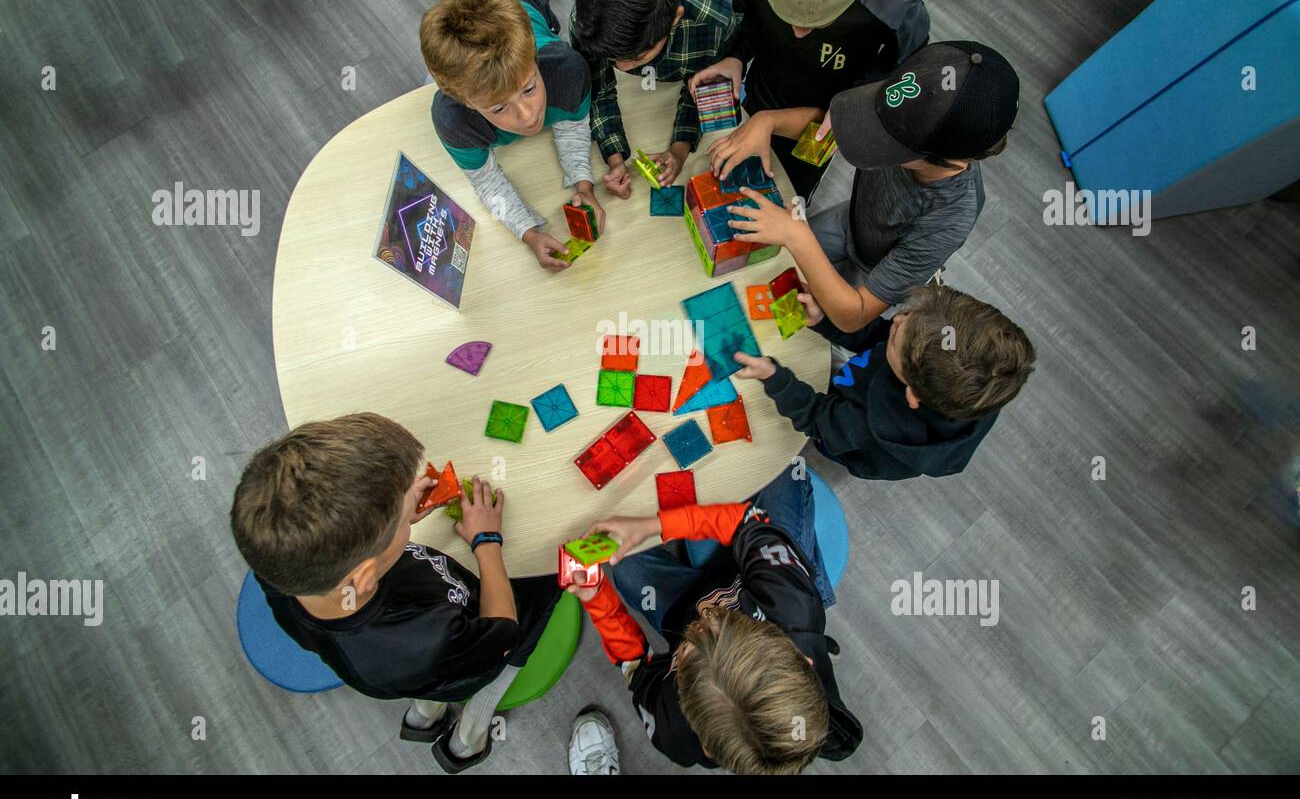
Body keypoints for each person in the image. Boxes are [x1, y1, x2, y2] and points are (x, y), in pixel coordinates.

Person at [229, 413, 561, 773]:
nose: (410, 510)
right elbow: (503, 633)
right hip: (464, 652)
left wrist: (387, 516)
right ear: (366, 575)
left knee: (428, 684)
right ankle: (469, 738)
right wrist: (486, 542)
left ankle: (424, 714)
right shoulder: (424, 643)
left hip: (413, 671)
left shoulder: (282, 574)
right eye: (402, 521)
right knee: (541, 587)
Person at [563, 470, 863, 773]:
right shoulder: (792, 606)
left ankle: (777, 565)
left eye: (683, 652)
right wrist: (654, 526)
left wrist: (596, 597)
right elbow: (749, 520)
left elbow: (636, 667)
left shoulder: (674, 734)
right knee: (788, 470)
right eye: (723, 625)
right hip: (775, 587)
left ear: (704, 745)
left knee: (626, 570)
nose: (706, 617)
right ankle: (807, 578)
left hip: (694, 601)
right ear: (803, 659)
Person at [724, 40, 1022, 332]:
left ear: (951, 161)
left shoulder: (950, 219)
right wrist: (768, 120)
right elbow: (828, 132)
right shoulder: (913, 105)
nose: (869, 136)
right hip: (852, 218)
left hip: (872, 269)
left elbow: (854, 314)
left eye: (885, 141)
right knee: (776, 263)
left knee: (815, 315)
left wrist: (798, 237)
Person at [689, 0, 929, 202]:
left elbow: (904, 70)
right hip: (759, 97)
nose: (798, 32)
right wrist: (735, 57)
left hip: (824, 124)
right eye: (784, 10)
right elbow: (749, 23)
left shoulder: (896, 5)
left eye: (819, 22)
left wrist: (854, 105)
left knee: (791, 194)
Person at [422, 0, 602, 271]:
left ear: (536, 57)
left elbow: (573, 130)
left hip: (521, 1)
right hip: (498, 27)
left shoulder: (566, 70)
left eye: (529, 89)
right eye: (499, 108)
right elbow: (487, 183)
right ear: (464, 101)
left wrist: (584, 184)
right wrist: (528, 232)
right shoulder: (452, 118)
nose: (528, 116)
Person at [734, 285, 1036, 480]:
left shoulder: (865, 424)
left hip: (845, 431)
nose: (896, 321)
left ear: (912, 394)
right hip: (865, 392)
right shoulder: (954, 377)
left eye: (895, 339)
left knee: (828, 433)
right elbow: (880, 337)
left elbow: (816, 419)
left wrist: (775, 378)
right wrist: (826, 322)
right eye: (907, 314)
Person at [568, 0, 739, 194]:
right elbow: (599, 90)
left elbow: (705, 89)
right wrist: (615, 159)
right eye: (612, 59)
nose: (623, 68)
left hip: (717, 2)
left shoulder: (716, 23)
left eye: (637, 57)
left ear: (675, 19)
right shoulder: (588, 23)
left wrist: (679, 150)